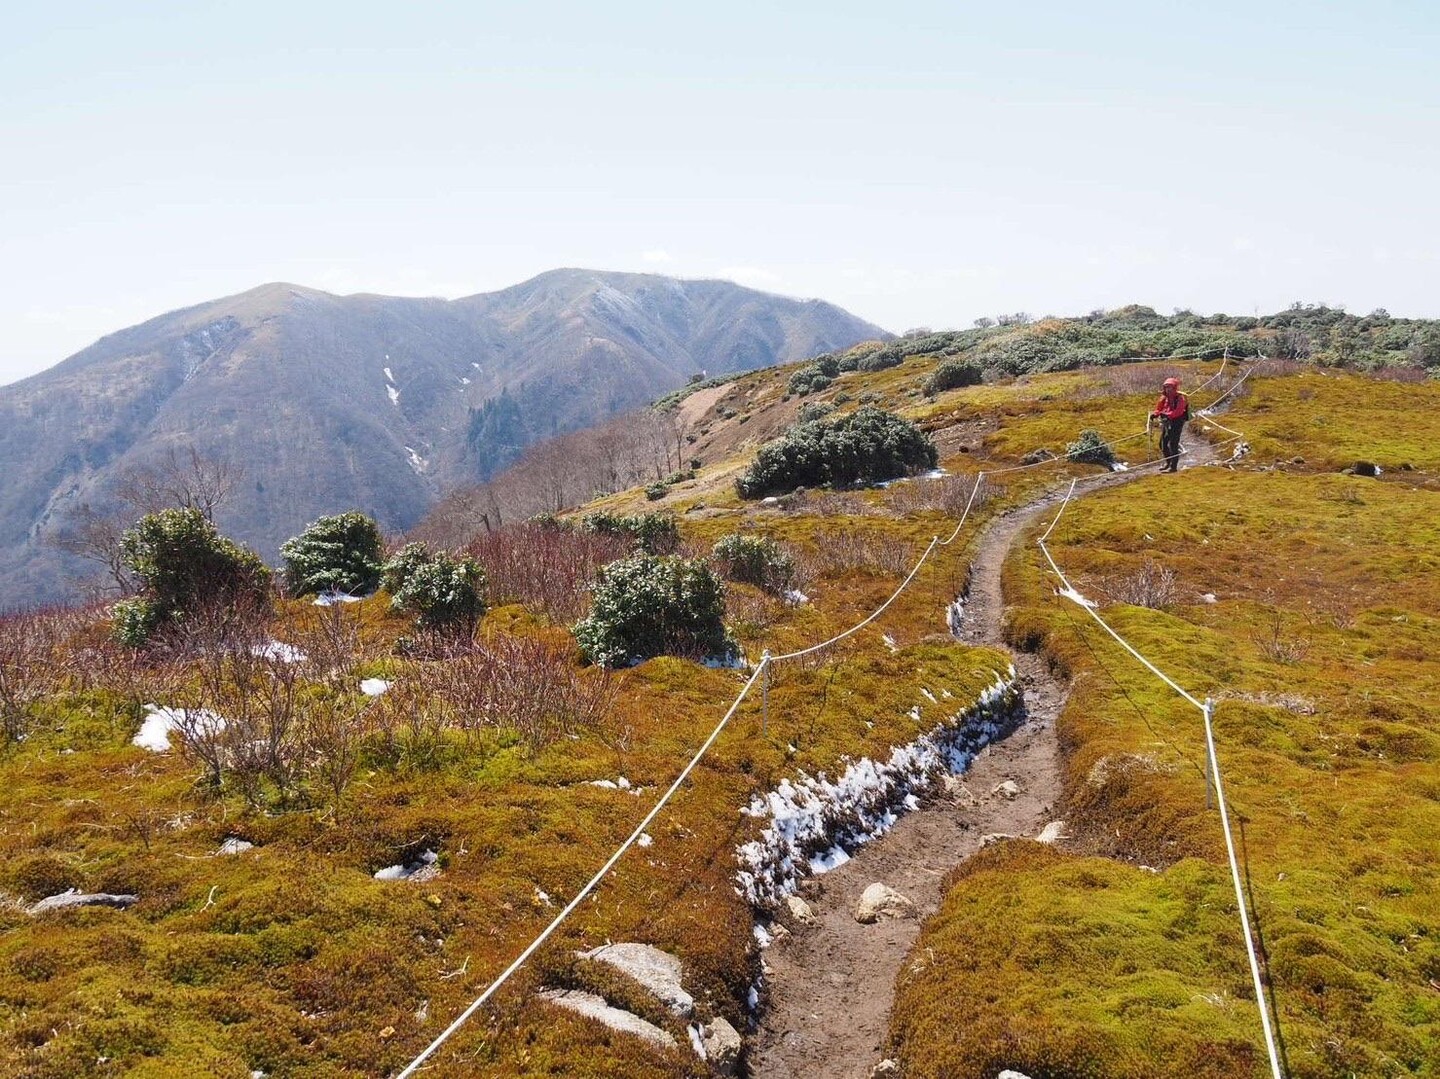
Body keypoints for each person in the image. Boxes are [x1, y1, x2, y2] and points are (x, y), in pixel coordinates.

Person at [1151, 376, 1189, 473]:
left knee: (1173, 444)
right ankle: (1168, 462)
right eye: (1166, 387)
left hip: (1177, 423)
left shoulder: (1180, 398)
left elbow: (1179, 412)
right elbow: (1159, 408)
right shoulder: (1164, 398)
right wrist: (1155, 414)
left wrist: (1167, 415)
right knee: (1162, 444)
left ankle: (1173, 467)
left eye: (1170, 387)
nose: (1168, 389)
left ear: (1175, 388)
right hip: (1167, 422)